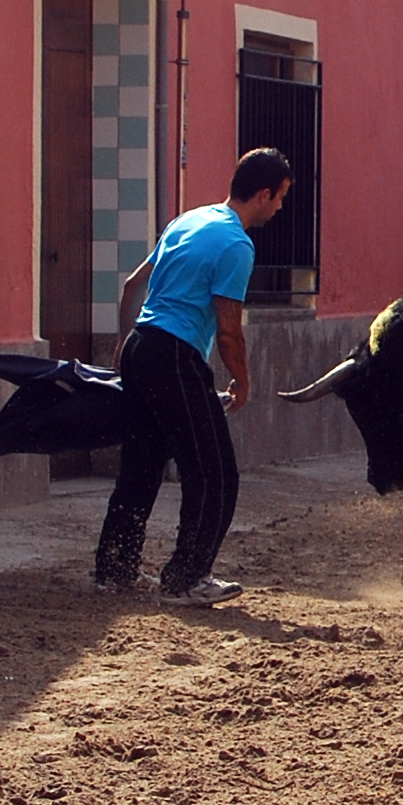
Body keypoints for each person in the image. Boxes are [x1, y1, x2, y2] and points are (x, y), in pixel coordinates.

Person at [94, 147, 293, 604]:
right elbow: (229, 330)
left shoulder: (189, 220)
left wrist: (124, 342)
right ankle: (186, 578)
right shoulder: (237, 245)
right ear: (263, 194)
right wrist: (243, 381)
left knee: (141, 466)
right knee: (215, 473)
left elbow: (132, 285)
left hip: (143, 345)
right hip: (174, 356)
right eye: (281, 197)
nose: (281, 207)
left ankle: (114, 568)